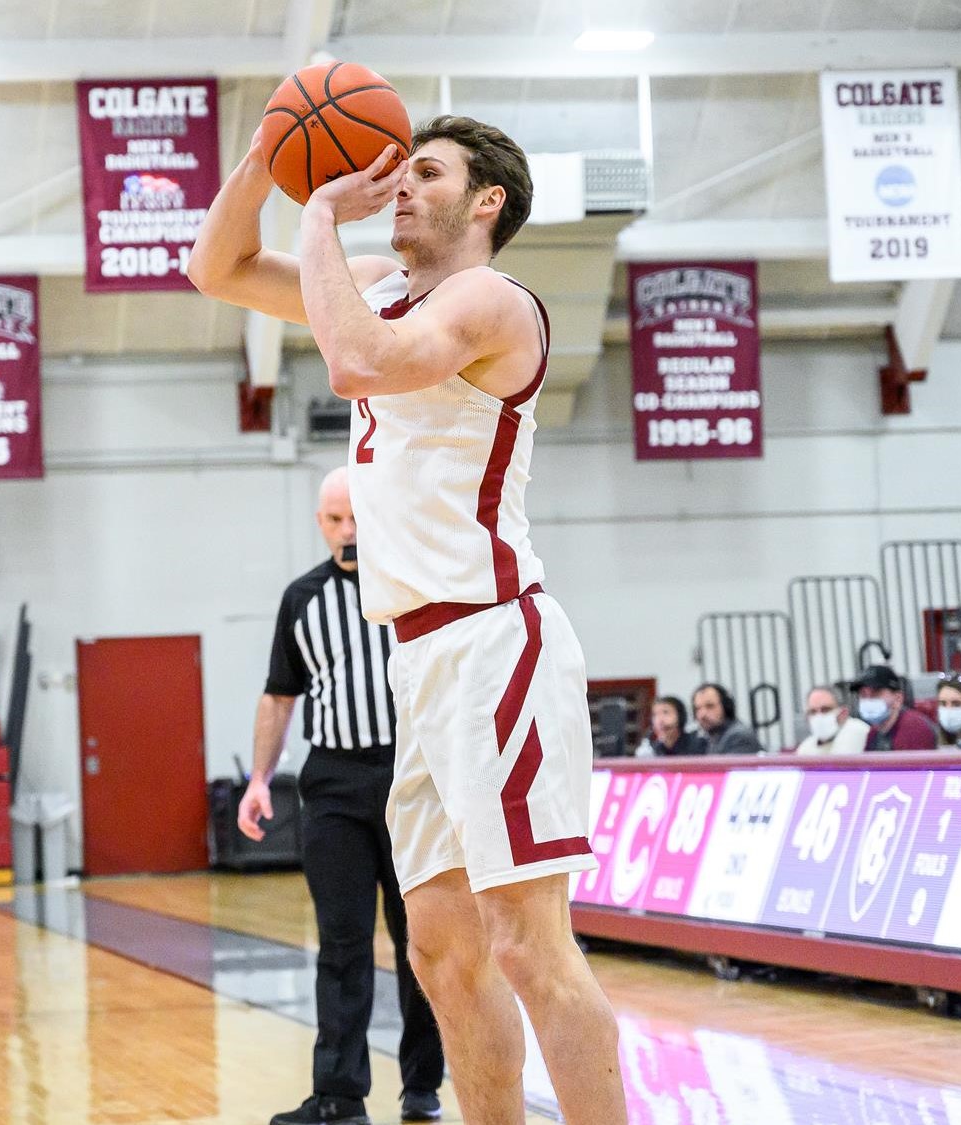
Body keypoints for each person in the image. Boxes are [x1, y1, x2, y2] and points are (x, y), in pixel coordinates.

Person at [193, 114, 624, 1124]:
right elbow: (214, 267)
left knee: (525, 941)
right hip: (419, 659)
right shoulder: (385, 291)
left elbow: (355, 365)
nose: (400, 185)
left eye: (425, 173)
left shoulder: (488, 298)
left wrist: (320, 223)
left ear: (486, 204)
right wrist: (266, 161)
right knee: (437, 947)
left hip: (493, 638)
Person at [241, 468, 445, 1125]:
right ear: (320, 523)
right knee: (343, 941)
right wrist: (256, 779)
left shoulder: (419, 585)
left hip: (411, 777)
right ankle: (339, 1094)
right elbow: (279, 695)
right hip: (331, 784)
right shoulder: (302, 598)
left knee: (422, 940)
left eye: (356, 516)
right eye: (334, 519)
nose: (347, 530)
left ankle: (423, 1084)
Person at [851, 665, 938, 750]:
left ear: (898, 699)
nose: (868, 700)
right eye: (863, 695)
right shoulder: (874, 733)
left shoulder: (914, 729)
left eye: (876, 694)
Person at [795, 684, 870, 755]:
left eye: (825, 710)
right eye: (813, 712)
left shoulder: (856, 730)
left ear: (843, 713)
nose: (819, 716)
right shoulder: (805, 747)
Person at [692, 683, 764, 755]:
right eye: (698, 709)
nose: (702, 714)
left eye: (710, 706)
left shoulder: (738, 737)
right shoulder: (711, 738)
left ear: (726, 707)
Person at [634, 696, 705, 757]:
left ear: (680, 716)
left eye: (666, 712)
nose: (660, 720)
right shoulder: (653, 750)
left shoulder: (698, 744)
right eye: (655, 714)